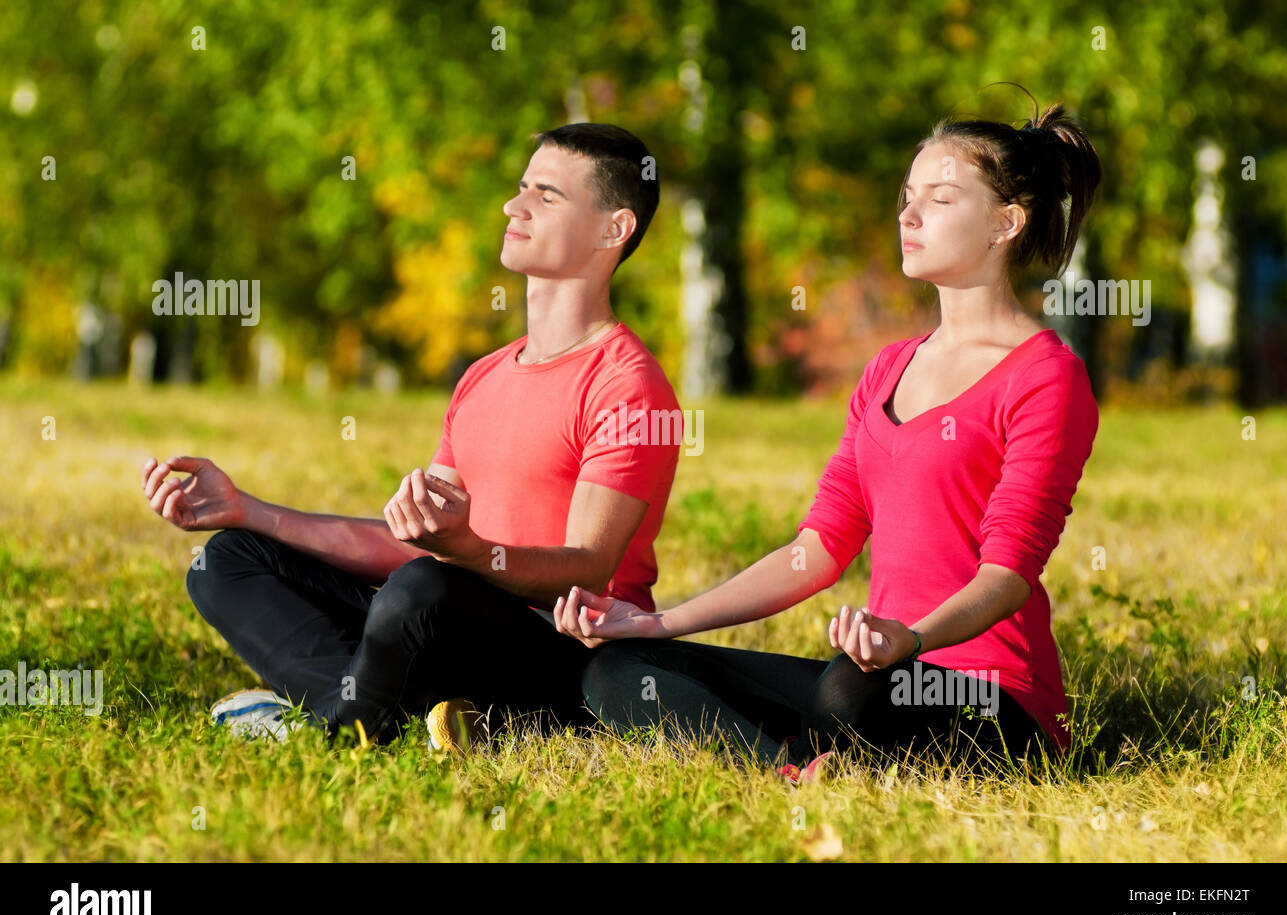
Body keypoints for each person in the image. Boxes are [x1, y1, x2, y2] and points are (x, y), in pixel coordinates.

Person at [553, 100, 1103, 779]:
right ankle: (798, 775)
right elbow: (815, 552)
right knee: (618, 669)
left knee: (846, 691)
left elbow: (1007, 576)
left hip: (992, 702)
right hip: (875, 675)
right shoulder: (886, 370)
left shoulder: (1048, 375)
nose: (908, 215)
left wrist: (911, 637)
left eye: (940, 198)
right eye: (906, 198)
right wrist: (655, 624)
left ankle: (817, 754)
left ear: (1005, 222)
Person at [140, 122, 682, 746]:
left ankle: (333, 733)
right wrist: (247, 510)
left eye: (547, 195)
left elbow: (584, 573)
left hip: (565, 668)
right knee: (228, 560)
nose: (514, 205)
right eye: (520, 187)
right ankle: (426, 712)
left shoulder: (626, 384)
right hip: (445, 614)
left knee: (422, 589)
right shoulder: (484, 376)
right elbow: (417, 547)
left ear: (613, 229)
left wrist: (468, 552)